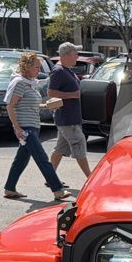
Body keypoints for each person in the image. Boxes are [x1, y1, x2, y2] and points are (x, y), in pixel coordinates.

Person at [3, 52, 71, 201]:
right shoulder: (20, 83)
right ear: (27, 67)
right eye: (36, 67)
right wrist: (17, 128)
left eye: (39, 67)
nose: (39, 70)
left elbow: (28, 105)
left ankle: (9, 188)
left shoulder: (30, 83)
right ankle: (57, 190)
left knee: (21, 159)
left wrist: (46, 106)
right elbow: (10, 106)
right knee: (42, 158)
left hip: (33, 126)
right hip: (26, 128)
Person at [48, 42, 92, 181]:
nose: (77, 57)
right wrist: (73, 95)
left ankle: (50, 178)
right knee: (79, 146)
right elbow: (51, 92)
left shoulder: (68, 70)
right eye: (75, 54)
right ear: (66, 55)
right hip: (67, 119)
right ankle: (90, 179)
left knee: (60, 149)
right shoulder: (58, 71)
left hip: (70, 117)